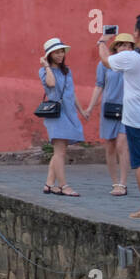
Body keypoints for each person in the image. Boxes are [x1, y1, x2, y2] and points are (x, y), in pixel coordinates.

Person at [98, 14, 140, 218]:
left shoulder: (131, 57)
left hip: (138, 118)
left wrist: (102, 41)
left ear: (136, 33)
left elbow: (106, 61)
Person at [85, 32, 135, 195]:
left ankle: (123, 183)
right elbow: (99, 86)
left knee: (122, 144)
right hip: (109, 108)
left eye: (128, 45)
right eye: (122, 45)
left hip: (128, 108)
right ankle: (114, 183)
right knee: (110, 146)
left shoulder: (134, 63)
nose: (125, 48)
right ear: (116, 47)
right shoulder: (105, 64)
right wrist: (90, 108)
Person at [39, 37, 89, 196]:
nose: (60, 55)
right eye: (56, 52)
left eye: (61, 51)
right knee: (59, 152)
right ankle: (63, 186)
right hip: (56, 114)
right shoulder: (43, 71)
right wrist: (47, 66)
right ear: (49, 54)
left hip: (69, 113)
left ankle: (49, 183)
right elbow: (51, 84)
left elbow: (71, 93)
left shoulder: (67, 71)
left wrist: (82, 111)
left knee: (60, 151)